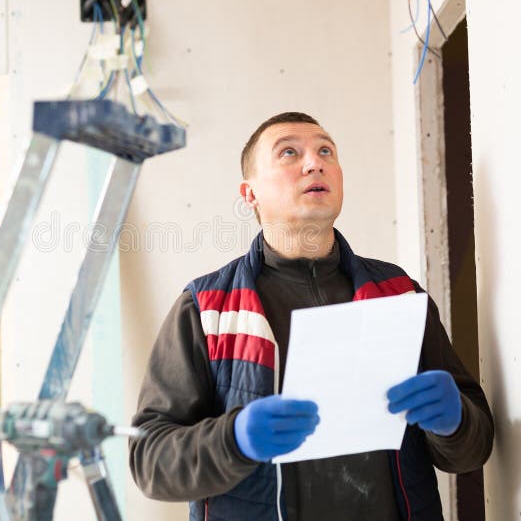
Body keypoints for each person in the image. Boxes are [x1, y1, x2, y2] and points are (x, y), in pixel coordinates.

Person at [129, 112, 494, 520]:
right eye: (289, 152)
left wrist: (456, 423)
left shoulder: (400, 293)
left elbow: (473, 450)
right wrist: (232, 440)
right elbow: (148, 460)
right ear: (250, 194)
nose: (314, 163)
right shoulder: (206, 309)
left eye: (326, 151)